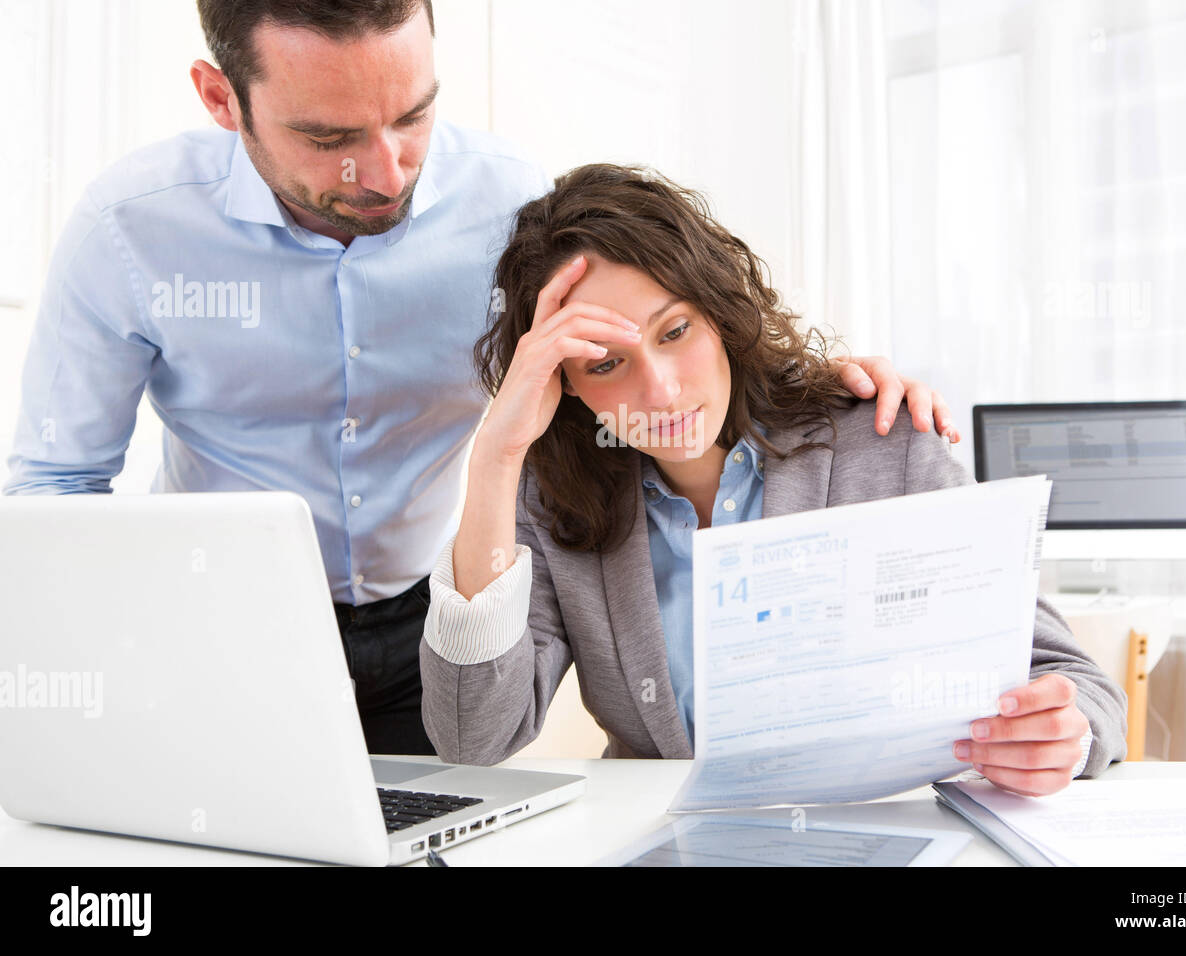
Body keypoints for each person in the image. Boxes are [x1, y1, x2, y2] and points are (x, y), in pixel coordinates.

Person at [2, 1, 947, 756]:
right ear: (221, 97)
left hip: (434, 618)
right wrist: (89, 687)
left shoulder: (506, 203)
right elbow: (51, 490)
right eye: (331, 134)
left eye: (412, 115)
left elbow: (642, 311)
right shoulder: (130, 232)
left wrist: (793, 381)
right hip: (222, 632)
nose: (385, 170)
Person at [420, 163, 1128, 797]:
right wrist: (495, 457)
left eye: (675, 332)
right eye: (605, 363)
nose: (662, 394)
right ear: (564, 383)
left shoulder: (884, 444)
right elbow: (474, 739)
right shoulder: (551, 501)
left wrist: (1065, 735)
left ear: (719, 315)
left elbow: (1083, 686)